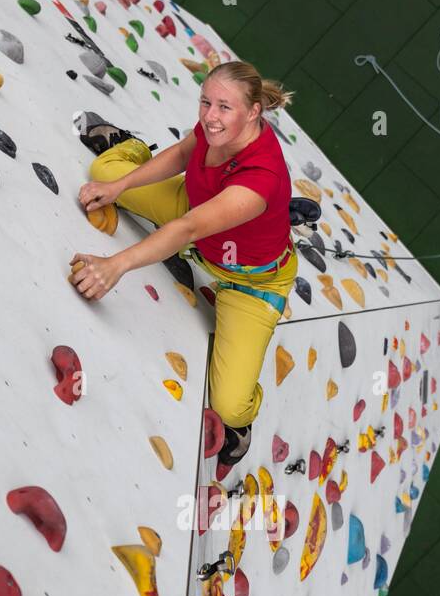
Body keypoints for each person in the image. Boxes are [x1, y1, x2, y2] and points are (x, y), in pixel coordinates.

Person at [69, 61, 298, 469]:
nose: (210, 116)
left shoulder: (262, 177)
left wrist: (115, 265)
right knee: (103, 170)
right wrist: (118, 187)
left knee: (228, 406)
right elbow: (179, 154)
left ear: (252, 113)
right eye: (206, 102)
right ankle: (129, 145)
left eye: (224, 107)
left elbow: (189, 229)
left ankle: (245, 416)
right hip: (193, 204)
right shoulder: (216, 129)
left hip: (248, 283)